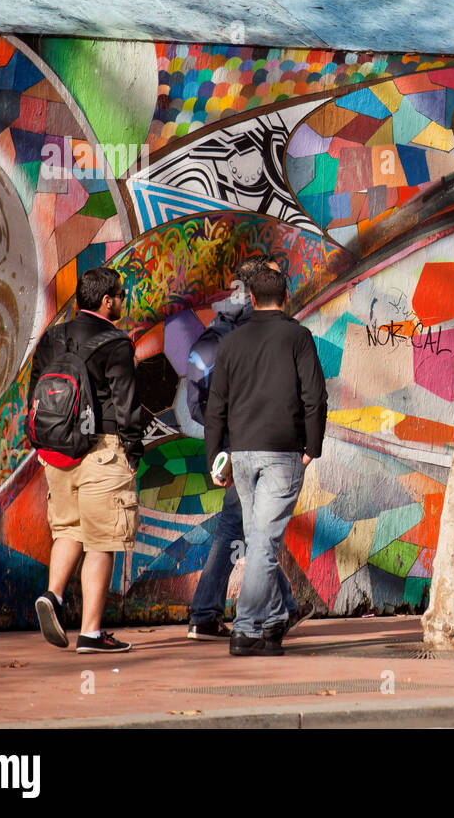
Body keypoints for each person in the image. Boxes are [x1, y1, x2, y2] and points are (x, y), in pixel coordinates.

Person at [184, 256, 310, 641]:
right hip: (248, 446)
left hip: (232, 445)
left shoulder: (223, 330)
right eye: (272, 276)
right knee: (253, 534)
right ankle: (243, 617)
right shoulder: (248, 334)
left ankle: (212, 612)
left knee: (246, 530)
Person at [31, 267, 144, 654]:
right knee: (102, 540)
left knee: (68, 530)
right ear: (106, 301)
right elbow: (127, 405)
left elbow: (35, 394)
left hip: (57, 452)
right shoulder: (116, 342)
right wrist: (133, 450)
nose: (123, 301)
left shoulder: (52, 337)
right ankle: (92, 634)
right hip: (102, 450)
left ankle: (54, 595)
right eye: (120, 295)